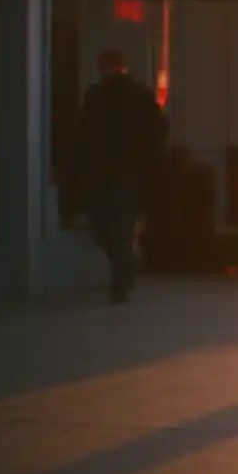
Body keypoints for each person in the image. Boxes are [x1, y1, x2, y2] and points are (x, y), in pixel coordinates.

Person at [76, 49, 168, 304]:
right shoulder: (135, 94)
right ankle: (123, 271)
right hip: (125, 171)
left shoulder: (101, 95)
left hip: (111, 171)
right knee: (119, 226)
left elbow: (84, 134)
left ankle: (121, 275)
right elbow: (158, 131)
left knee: (107, 225)